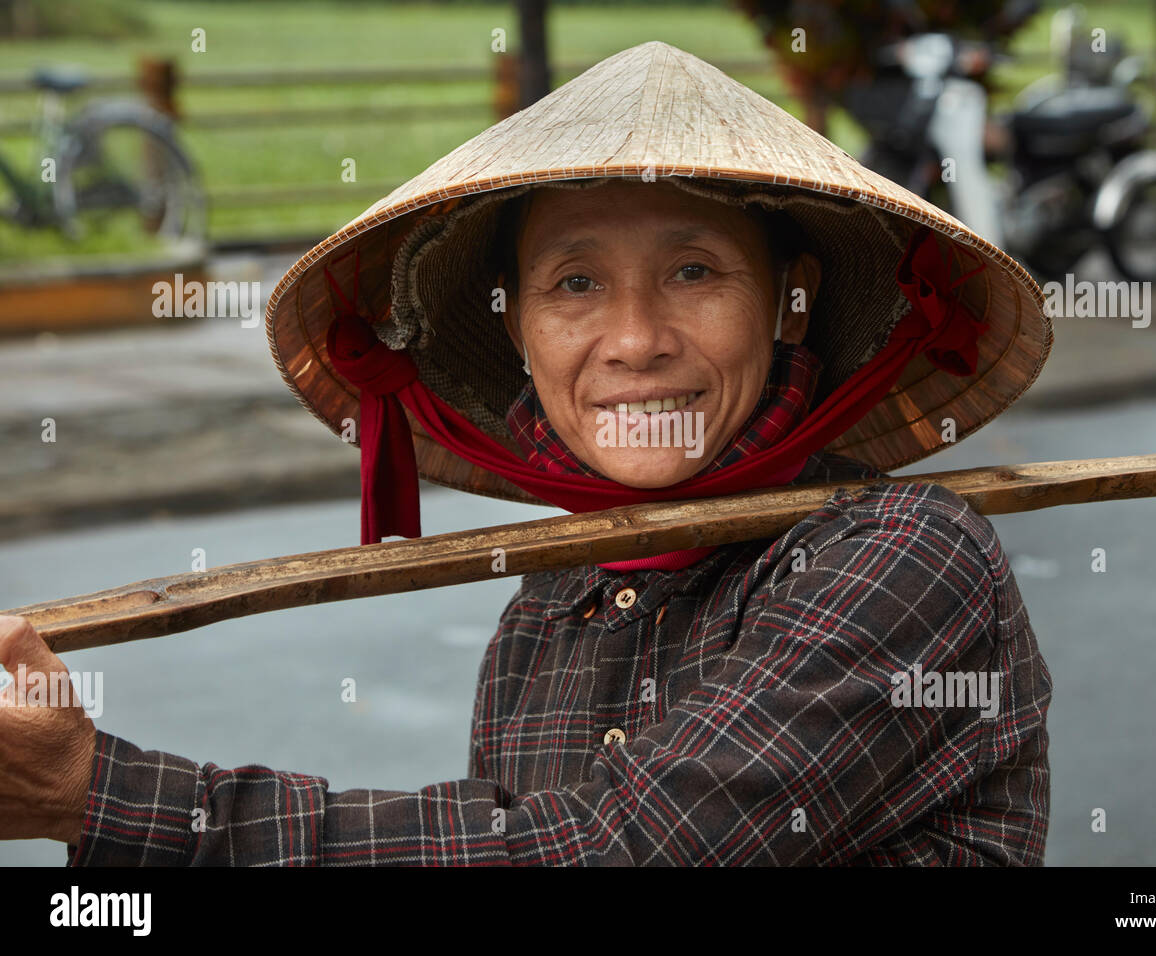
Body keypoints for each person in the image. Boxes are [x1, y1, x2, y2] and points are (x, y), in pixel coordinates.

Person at [0, 41, 1053, 865]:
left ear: (792, 297)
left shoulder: (905, 559)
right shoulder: (548, 608)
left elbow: (616, 851)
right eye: (575, 283)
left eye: (693, 270)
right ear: (516, 326)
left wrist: (100, 793)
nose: (635, 339)